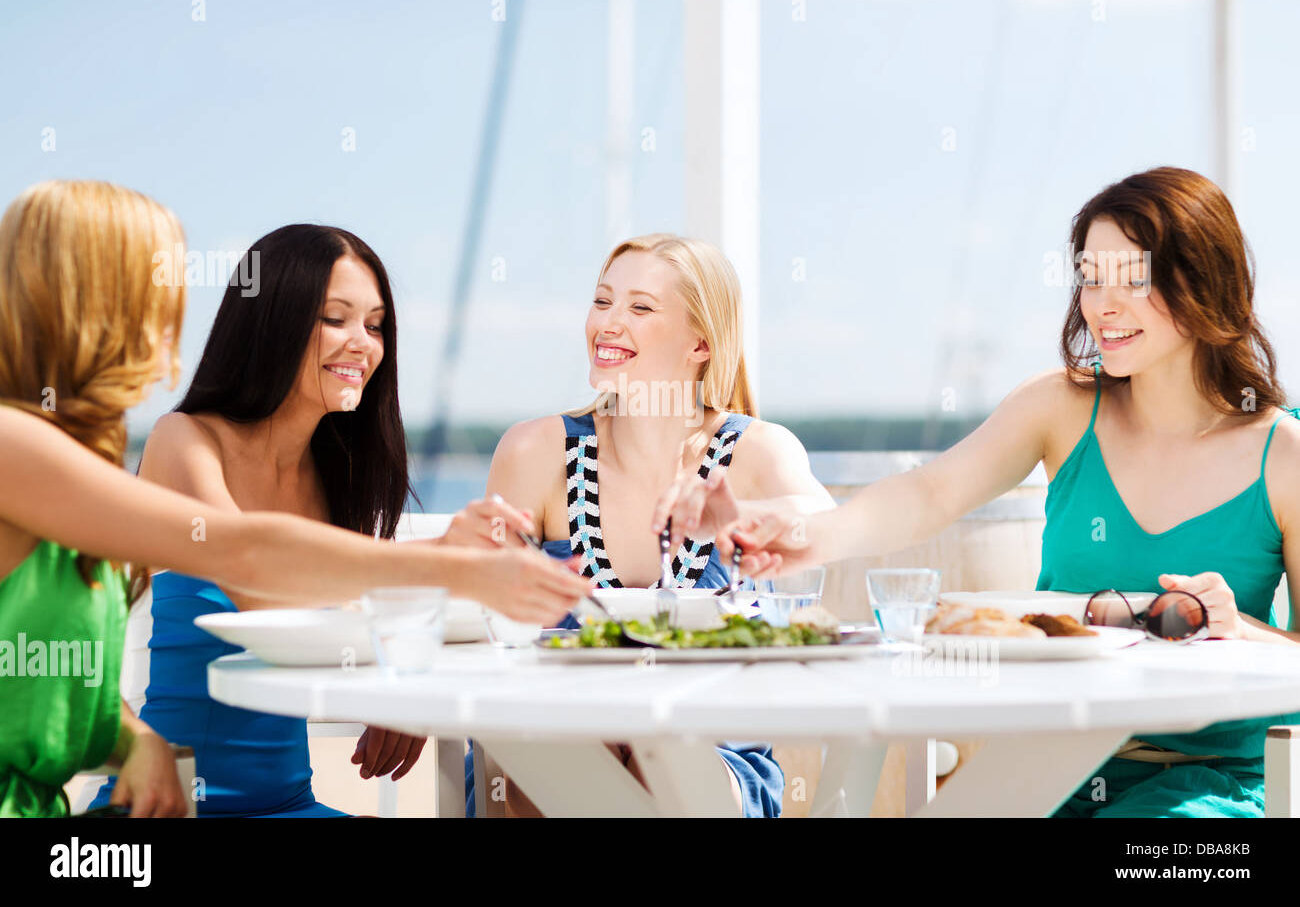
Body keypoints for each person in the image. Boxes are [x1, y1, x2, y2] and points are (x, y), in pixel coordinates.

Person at [715, 166, 1300, 817]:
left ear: (1203, 281)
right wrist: (804, 538)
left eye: (1131, 279)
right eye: (1090, 277)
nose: (1101, 306)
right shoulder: (1060, 406)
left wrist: (1240, 628)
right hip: (1045, 769)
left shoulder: (1284, 457)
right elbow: (930, 495)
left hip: (1208, 788)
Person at [0, 181, 591, 817]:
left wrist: (138, 741)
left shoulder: (331, 470)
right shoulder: (33, 445)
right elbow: (249, 563)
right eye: (154, 295)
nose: (168, 322)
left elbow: (68, 674)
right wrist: (452, 562)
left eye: (374, 324)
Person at [480, 233, 835, 817]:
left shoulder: (756, 452)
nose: (609, 323)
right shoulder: (533, 451)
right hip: (546, 747)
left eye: (640, 308)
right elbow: (481, 605)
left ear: (701, 341)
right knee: (578, 745)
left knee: (658, 754)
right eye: (602, 302)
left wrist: (742, 516)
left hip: (711, 760)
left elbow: (824, 522)